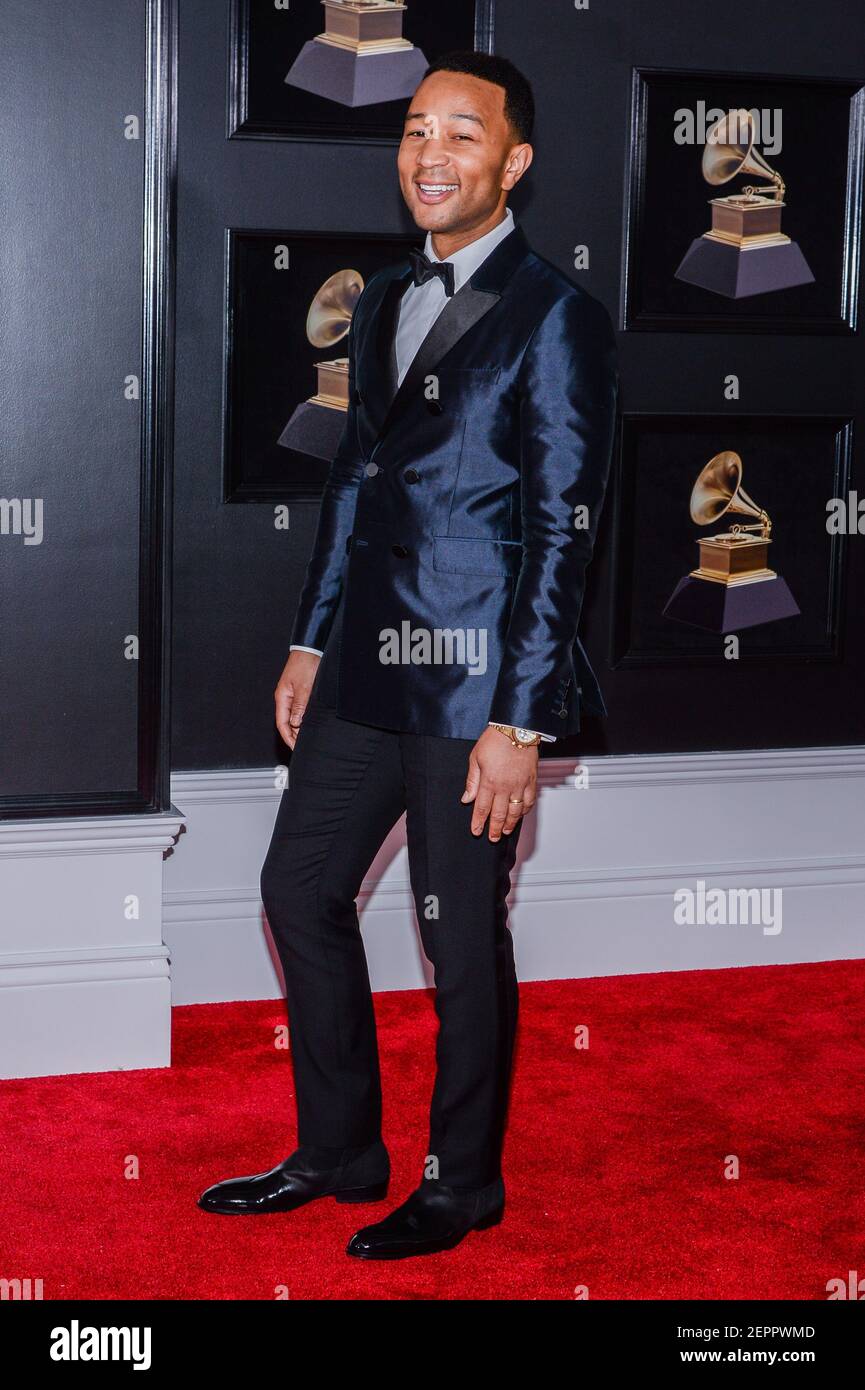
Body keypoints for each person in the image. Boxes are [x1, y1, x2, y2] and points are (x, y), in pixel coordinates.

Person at [199, 51, 618, 1260]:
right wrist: (306, 637)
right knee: (298, 888)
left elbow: (561, 530)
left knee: (456, 934)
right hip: (364, 666)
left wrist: (521, 720)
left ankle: (460, 1182)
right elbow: (355, 479)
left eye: (462, 135)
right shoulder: (385, 296)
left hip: (477, 681)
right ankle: (339, 1149)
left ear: (514, 163)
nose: (431, 154)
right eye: (415, 132)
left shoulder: (557, 317)